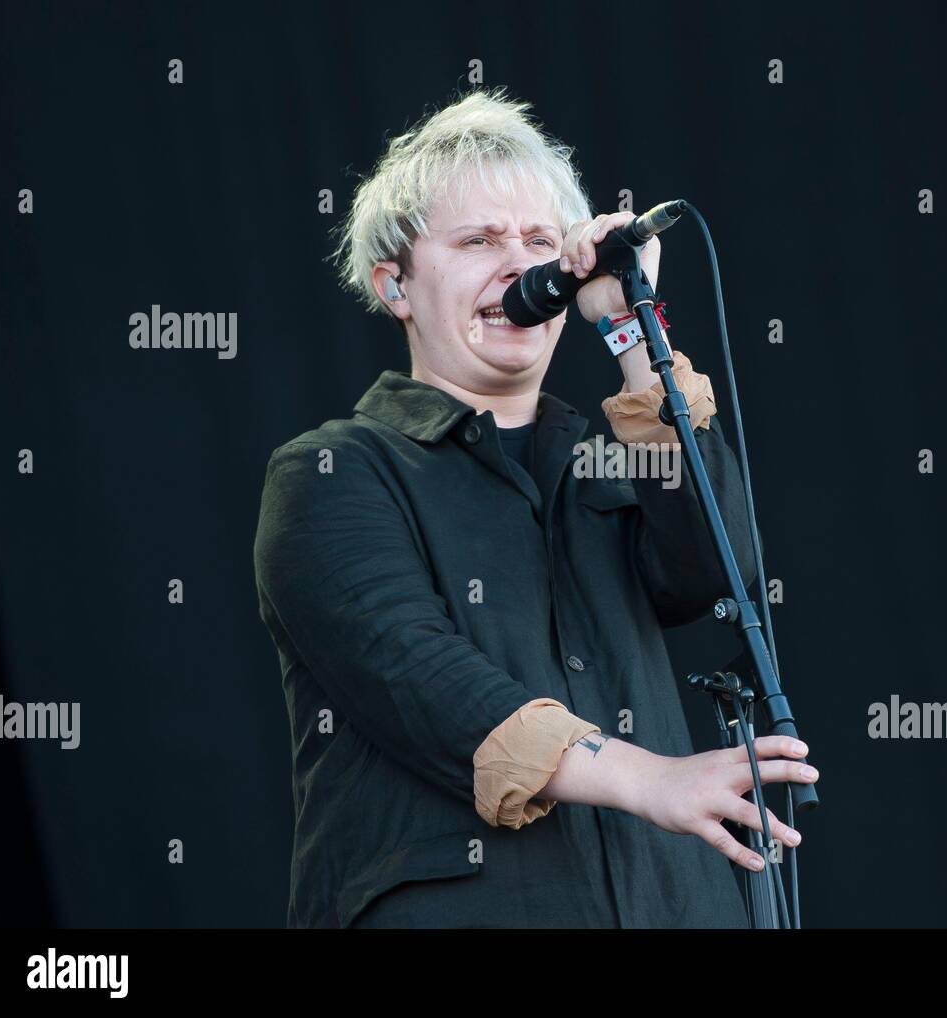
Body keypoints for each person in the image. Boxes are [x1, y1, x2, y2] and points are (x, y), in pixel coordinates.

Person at [251, 87, 817, 929]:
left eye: (541, 242)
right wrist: (649, 778)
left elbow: (716, 570)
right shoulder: (332, 473)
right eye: (478, 240)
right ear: (395, 285)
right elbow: (423, 679)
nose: (519, 266)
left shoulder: (601, 464)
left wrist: (631, 330)